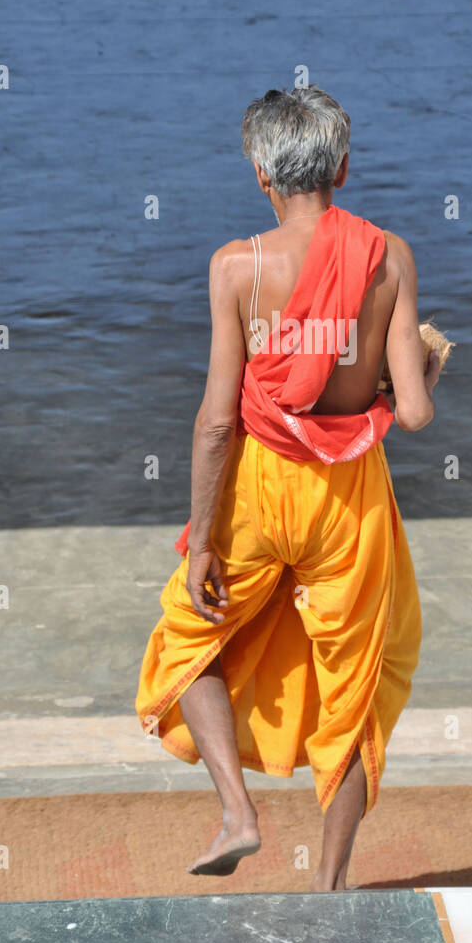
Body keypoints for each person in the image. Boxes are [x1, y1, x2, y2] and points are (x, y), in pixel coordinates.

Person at [136, 85, 443, 891]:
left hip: (258, 491)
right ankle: (330, 886)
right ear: (341, 167)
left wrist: (202, 538)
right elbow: (411, 411)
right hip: (347, 499)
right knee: (352, 688)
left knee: (189, 639)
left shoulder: (238, 266)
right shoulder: (389, 256)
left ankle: (238, 813)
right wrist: (412, 365)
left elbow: (215, 420)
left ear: (260, 176)